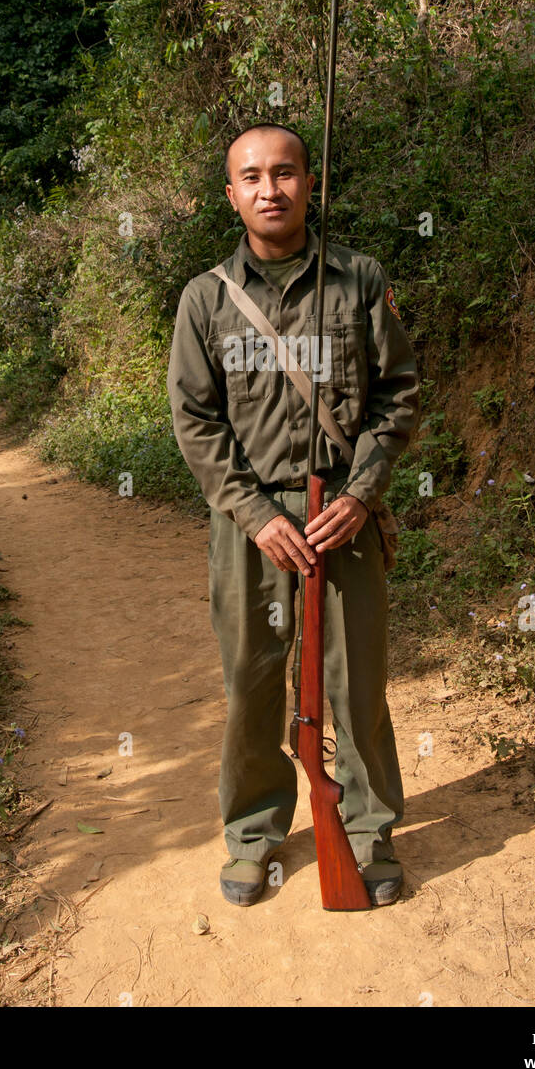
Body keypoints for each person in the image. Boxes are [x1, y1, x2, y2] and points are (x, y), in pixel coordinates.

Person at [167, 123, 420, 906]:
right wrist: (251, 512)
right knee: (252, 681)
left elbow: (397, 394)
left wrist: (359, 495)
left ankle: (368, 830)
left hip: (340, 513)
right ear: (231, 194)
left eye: (284, 173)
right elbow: (194, 419)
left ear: (309, 183)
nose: (269, 189)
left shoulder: (357, 280)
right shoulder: (206, 298)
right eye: (252, 177)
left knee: (357, 684)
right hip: (251, 525)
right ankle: (253, 832)